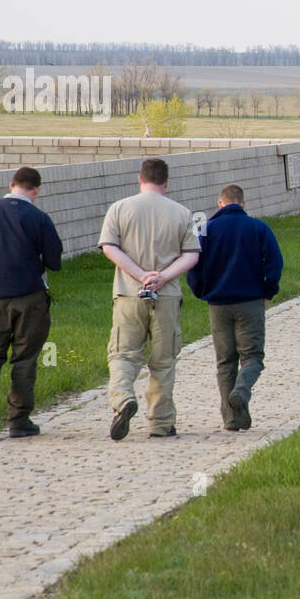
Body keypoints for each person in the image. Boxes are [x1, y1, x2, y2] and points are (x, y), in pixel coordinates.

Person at [98, 158, 201, 440]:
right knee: (164, 360)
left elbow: (109, 247)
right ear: (166, 182)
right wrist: (162, 277)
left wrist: (140, 274)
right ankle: (161, 422)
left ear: (139, 179)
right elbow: (192, 255)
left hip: (128, 295)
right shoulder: (182, 213)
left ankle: (123, 399)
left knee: (123, 353)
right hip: (166, 297)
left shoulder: (119, 208)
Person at [0, 166, 63, 438]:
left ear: (11, 185)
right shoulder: (40, 218)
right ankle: (18, 421)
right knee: (25, 358)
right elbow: (54, 262)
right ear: (36, 190)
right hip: (30, 298)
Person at [186, 184, 283, 432]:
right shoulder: (259, 228)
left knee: (225, 361)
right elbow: (274, 263)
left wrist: (202, 292)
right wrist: (268, 291)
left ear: (220, 204)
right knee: (252, 357)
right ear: (243, 204)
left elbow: (194, 267)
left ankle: (231, 419)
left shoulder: (206, 230)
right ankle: (241, 392)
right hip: (250, 301)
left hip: (218, 304)